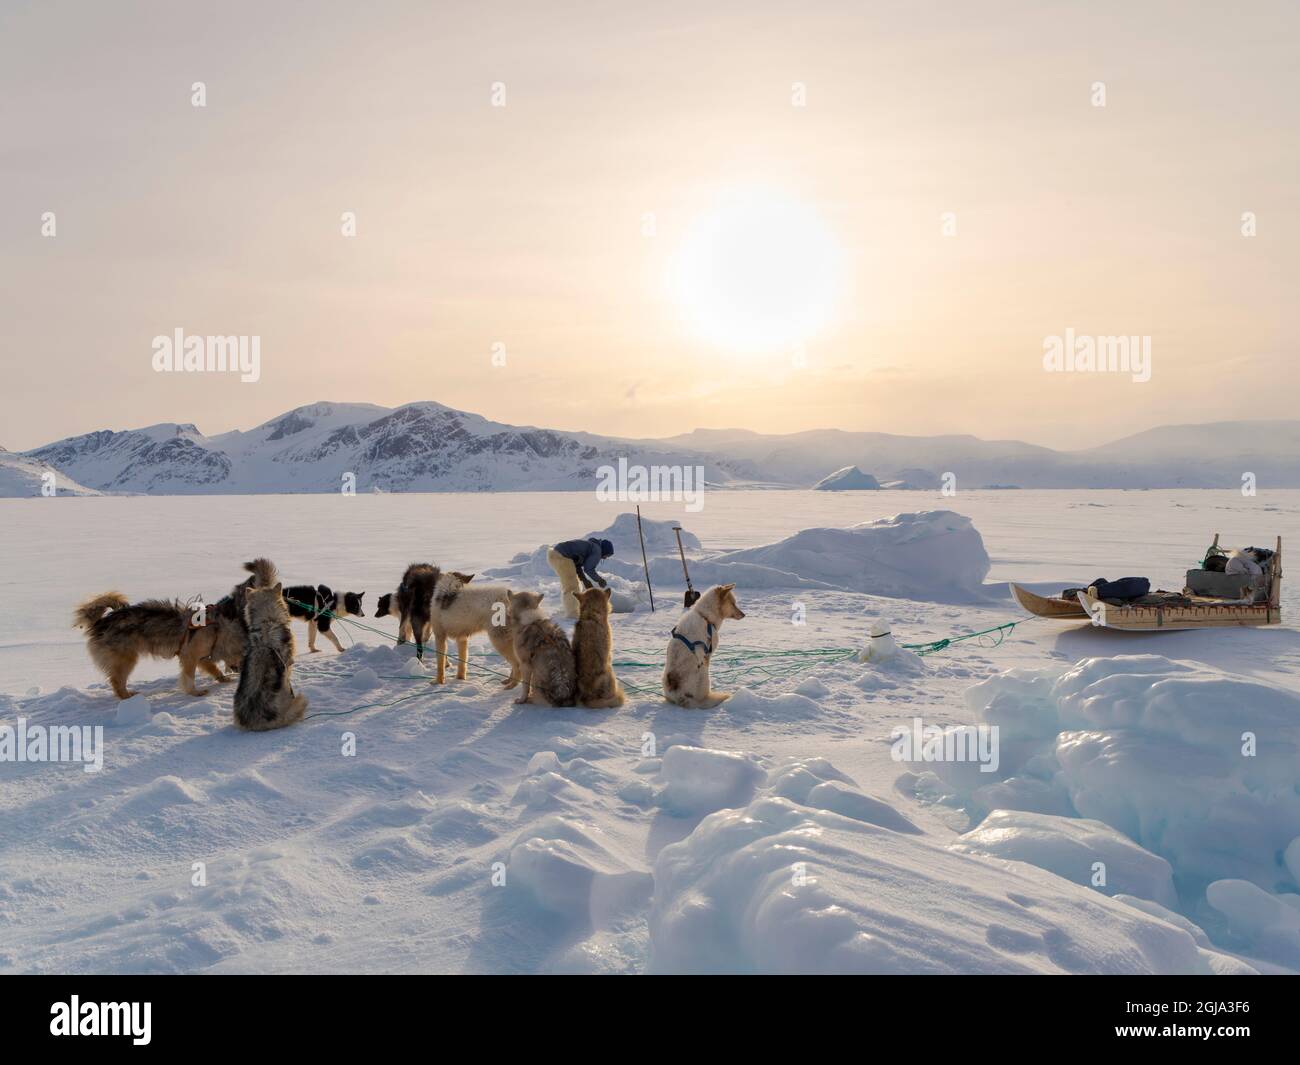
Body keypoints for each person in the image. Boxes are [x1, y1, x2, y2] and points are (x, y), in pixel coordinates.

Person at [547, 537, 614, 618]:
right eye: (607, 555)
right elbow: (589, 569)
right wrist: (599, 580)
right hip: (561, 556)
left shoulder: (590, 546)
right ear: (604, 550)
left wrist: (585, 580)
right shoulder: (597, 550)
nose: (605, 558)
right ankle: (573, 613)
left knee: (572, 583)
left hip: (555, 554)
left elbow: (577, 565)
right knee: (572, 586)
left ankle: (571, 608)